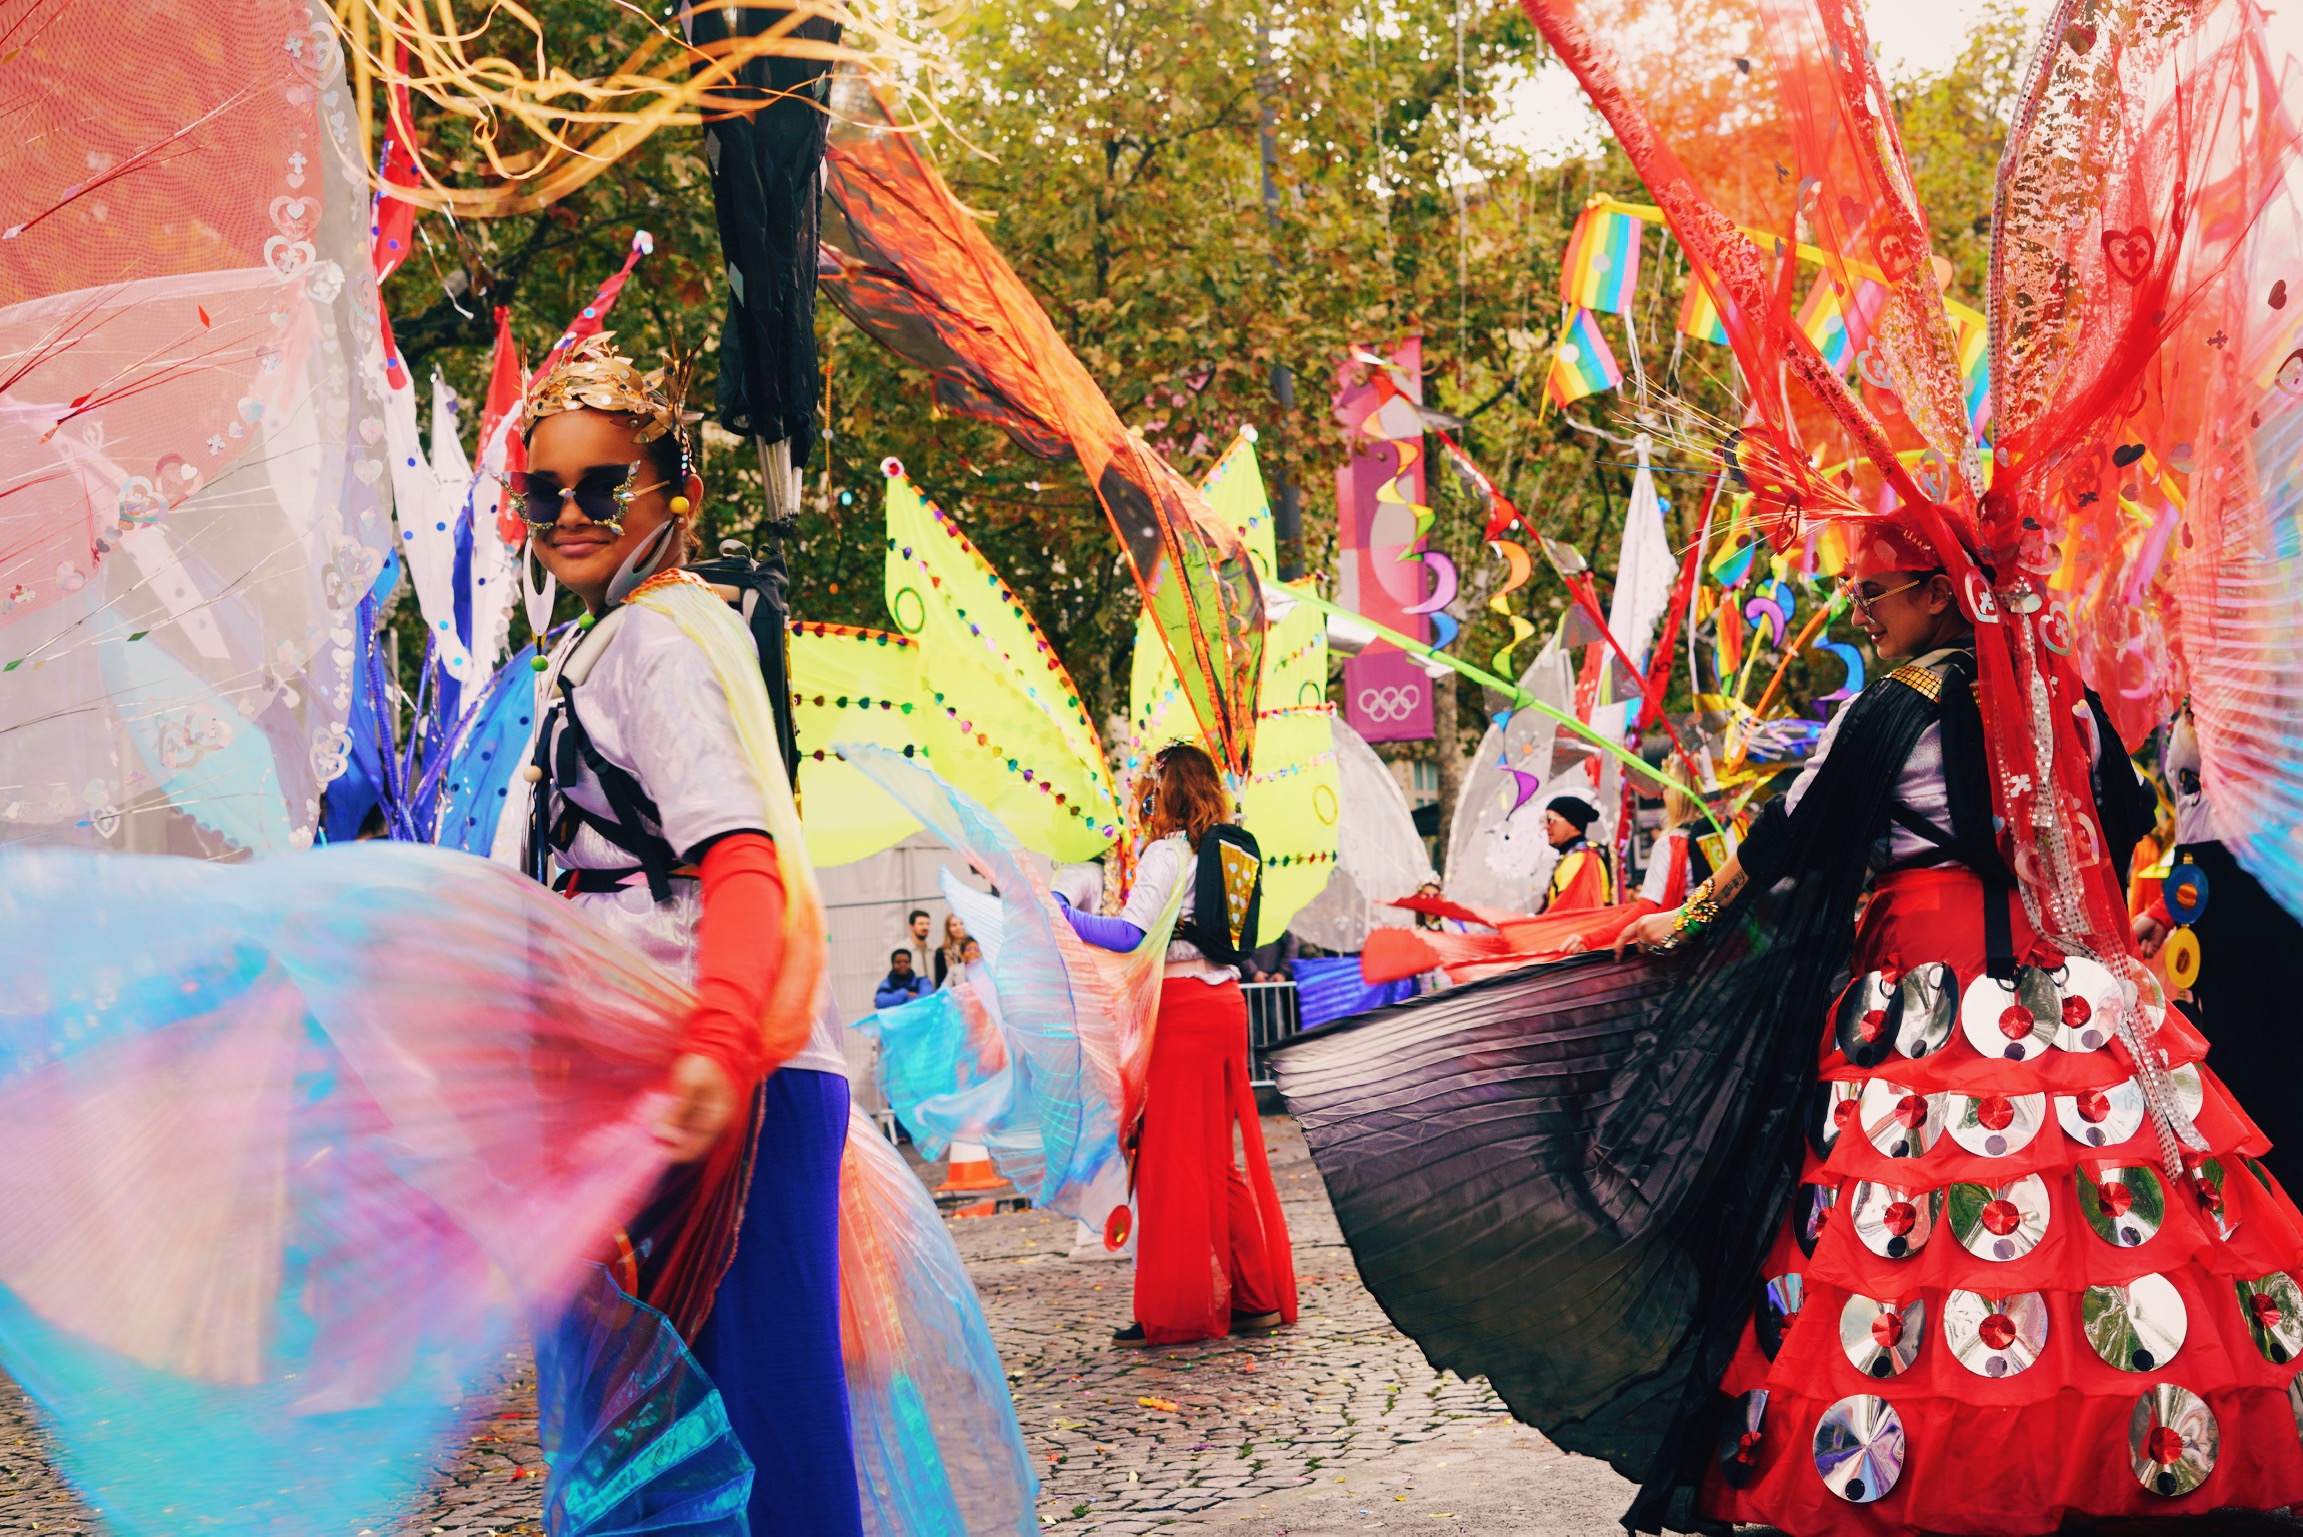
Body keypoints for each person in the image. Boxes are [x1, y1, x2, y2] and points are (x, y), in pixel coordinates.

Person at [513, 334, 862, 1535]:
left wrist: (717, 1045)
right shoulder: (601, 642)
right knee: (663, 1435)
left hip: (724, 1082)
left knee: (764, 1435)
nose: (568, 512)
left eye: (603, 484)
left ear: (678, 497)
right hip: (663, 1082)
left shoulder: (658, 641)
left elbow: (741, 858)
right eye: (541, 490)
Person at [1056, 741, 1298, 1346]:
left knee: (1168, 1161)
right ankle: (1255, 1297)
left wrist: (1059, 912)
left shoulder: (1169, 852)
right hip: (1224, 1004)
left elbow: (1130, 933)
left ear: (1165, 792)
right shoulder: (1232, 846)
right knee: (1218, 1162)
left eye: (1149, 788)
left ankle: (1178, 1308)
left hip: (1183, 1010)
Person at [2131, 702, 2303, 1191]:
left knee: (2274, 1068)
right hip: (2210, 892)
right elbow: (2198, 817)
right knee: (2232, 1060)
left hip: (2268, 886)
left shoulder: (2269, 676)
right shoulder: (2199, 682)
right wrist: (2166, 911)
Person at [1632, 782, 1712, 915]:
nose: (1662, 795)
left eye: (1666, 787)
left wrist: (1592, 936)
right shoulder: (1732, 830)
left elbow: (1648, 908)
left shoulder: (1669, 845)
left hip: (1693, 929)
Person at [1536, 794, 1613, 912]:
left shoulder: (1580, 859)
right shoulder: (1572, 857)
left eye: (1551, 819)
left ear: (1572, 823)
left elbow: (1569, 914)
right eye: (1544, 820)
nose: (1546, 826)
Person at [934, 912, 970, 987]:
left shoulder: (974, 948)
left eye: (961, 923)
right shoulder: (941, 952)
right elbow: (940, 980)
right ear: (948, 928)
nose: (958, 927)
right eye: (954, 925)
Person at [905, 907, 935, 975]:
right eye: (921, 924)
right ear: (911, 926)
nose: (925, 927)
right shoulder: (903, 950)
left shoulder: (932, 951)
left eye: (927, 924)